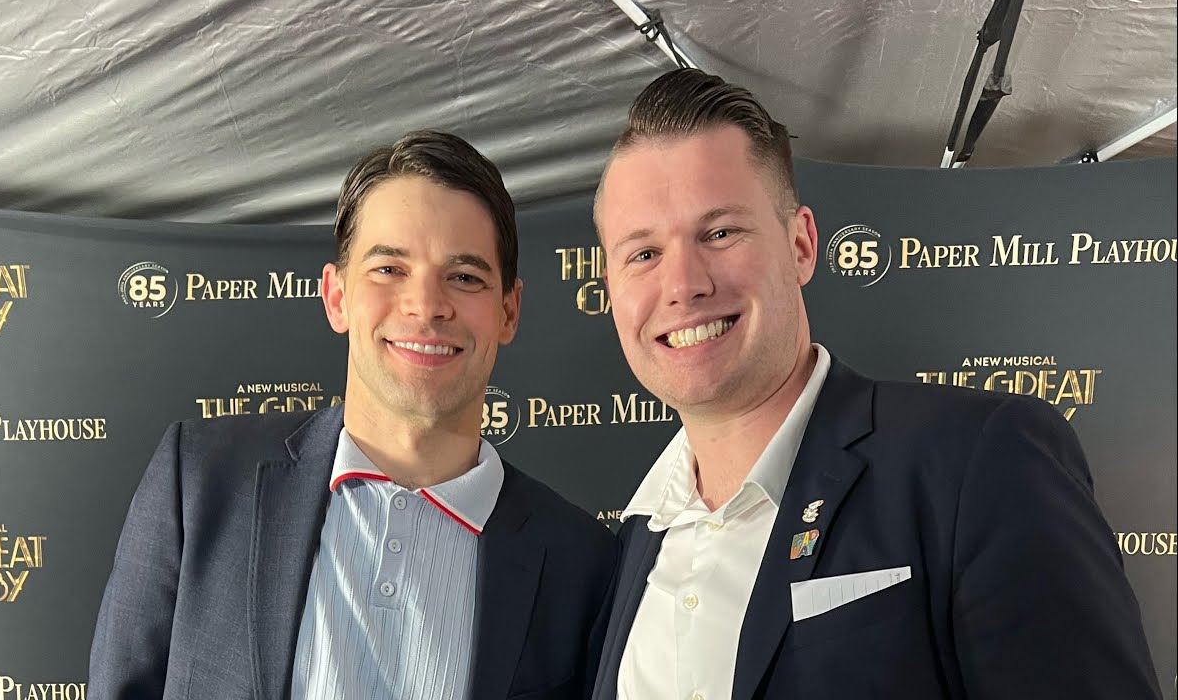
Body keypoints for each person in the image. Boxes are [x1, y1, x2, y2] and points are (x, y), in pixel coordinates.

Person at [589, 69, 1160, 700]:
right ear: (610, 289)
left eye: (720, 232)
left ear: (801, 244)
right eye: (642, 254)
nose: (683, 284)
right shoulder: (631, 547)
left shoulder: (980, 462)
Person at [90, 130, 616, 700]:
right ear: (337, 297)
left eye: (464, 277)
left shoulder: (581, 562)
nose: (426, 305)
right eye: (389, 269)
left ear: (508, 312)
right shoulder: (198, 481)